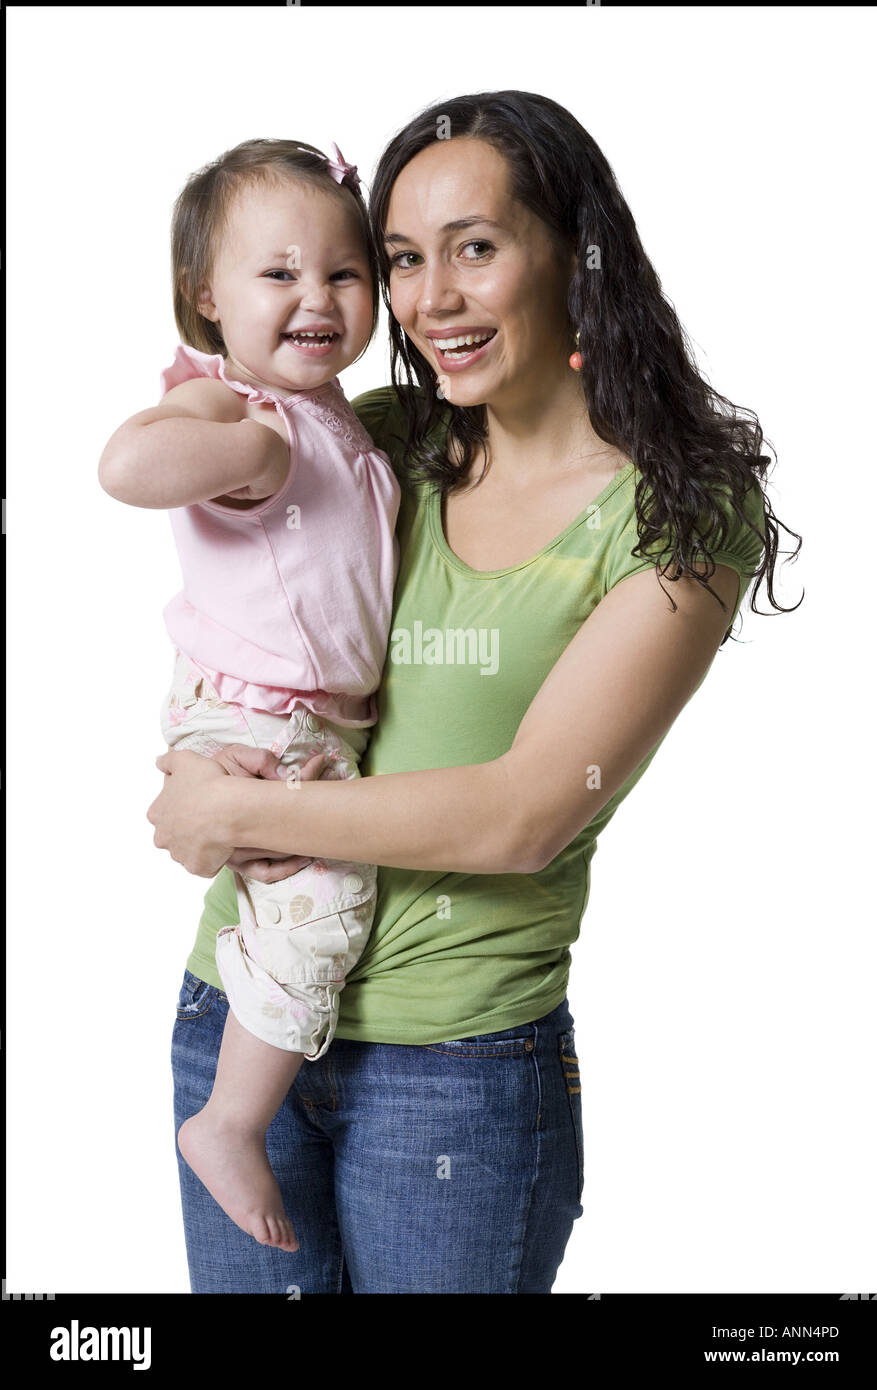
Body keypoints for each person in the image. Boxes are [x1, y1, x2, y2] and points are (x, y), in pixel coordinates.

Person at [147, 91, 801, 1295]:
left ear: (573, 250)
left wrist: (230, 812)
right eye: (400, 259)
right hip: (239, 1011)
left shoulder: (677, 512)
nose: (428, 299)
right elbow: (252, 618)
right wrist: (196, 757)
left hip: (453, 1071)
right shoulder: (385, 439)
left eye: (476, 248)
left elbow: (525, 813)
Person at [100, 139, 400, 1254]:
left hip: (287, 708)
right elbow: (126, 471)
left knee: (306, 899)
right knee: (323, 908)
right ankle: (230, 1120)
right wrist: (219, 433)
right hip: (261, 711)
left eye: (342, 271)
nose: (316, 297)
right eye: (277, 274)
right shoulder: (262, 429)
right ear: (205, 300)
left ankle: (239, 1088)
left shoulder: (341, 420)